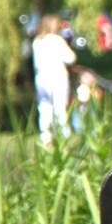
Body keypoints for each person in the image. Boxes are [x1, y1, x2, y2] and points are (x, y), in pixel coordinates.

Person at [31, 14, 76, 145]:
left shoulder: (37, 41)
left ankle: (46, 137)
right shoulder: (57, 40)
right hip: (57, 77)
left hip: (41, 78)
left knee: (44, 107)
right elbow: (70, 58)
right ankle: (62, 136)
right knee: (59, 107)